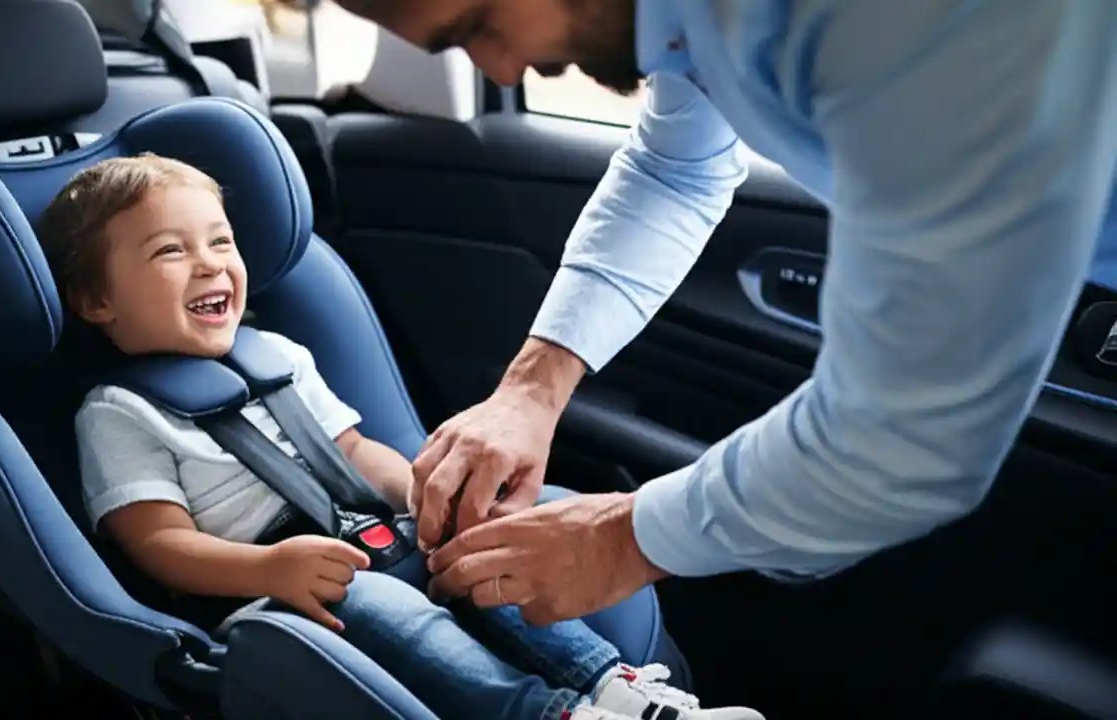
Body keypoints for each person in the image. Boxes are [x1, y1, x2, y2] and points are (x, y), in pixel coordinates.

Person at [323, 0, 1117, 623]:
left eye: (480, 22)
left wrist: (620, 541)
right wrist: (533, 386)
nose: (500, 63)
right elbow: (678, 168)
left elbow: (911, 436)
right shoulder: (684, 20)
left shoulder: (891, 22)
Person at [37, 154, 765, 720]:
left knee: (485, 567)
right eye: (170, 252)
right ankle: (549, 713)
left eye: (220, 241)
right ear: (97, 300)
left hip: (377, 534)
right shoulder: (117, 412)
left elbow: (352, 451)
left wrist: (424, 495)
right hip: (277, 584)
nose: (210, 262)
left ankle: (622, 690)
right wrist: (269, 572)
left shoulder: (279, 358)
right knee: (397, 618)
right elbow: (158, 545)